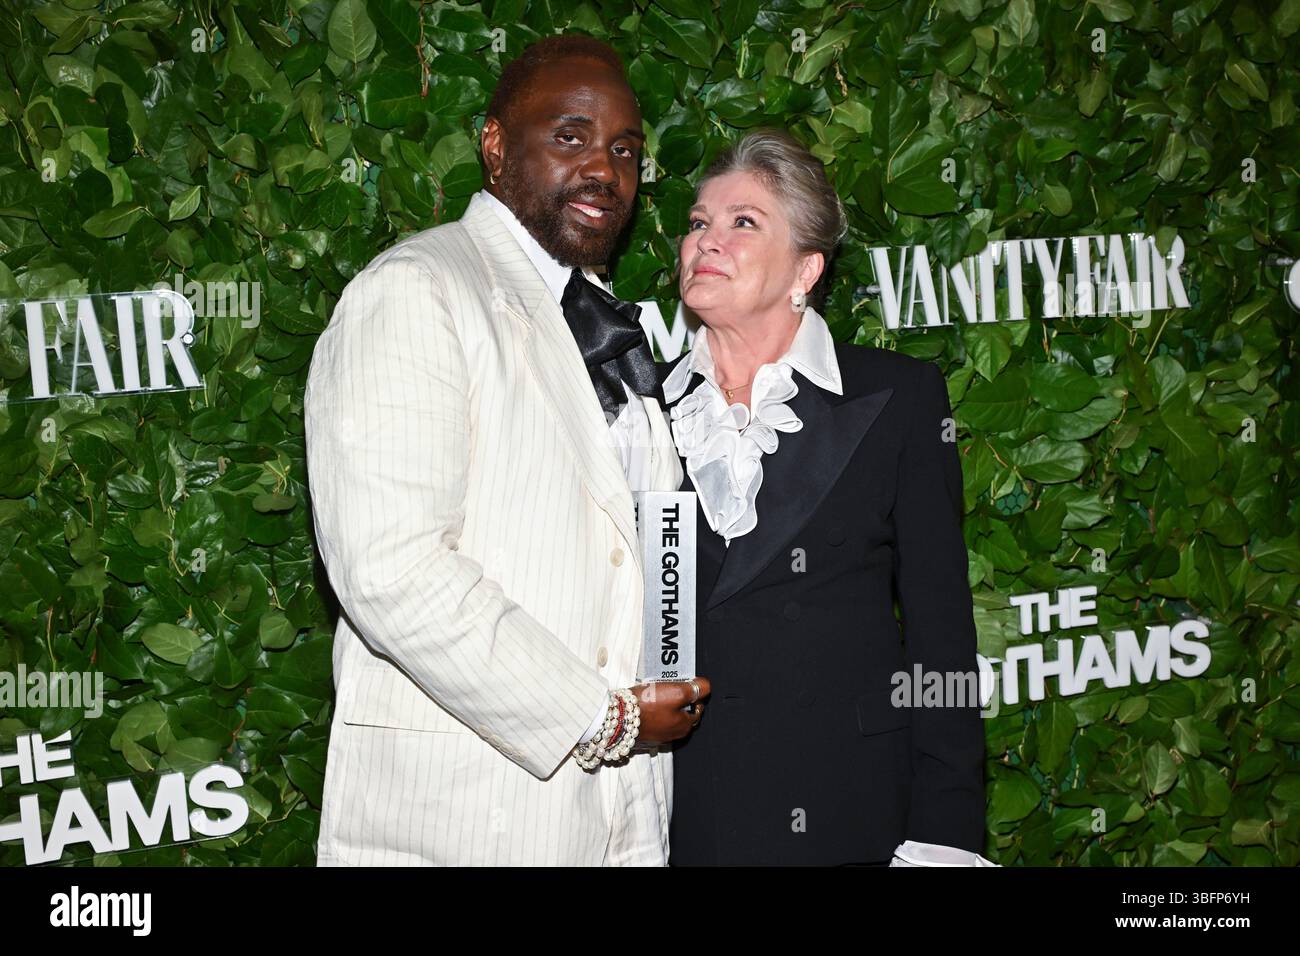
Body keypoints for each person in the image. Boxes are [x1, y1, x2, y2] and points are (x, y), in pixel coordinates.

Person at [304, 34, 709, 866]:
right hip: (468, 814)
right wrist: (607, 718)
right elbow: (391, 571)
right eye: (570, 137)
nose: (604, 169)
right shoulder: (416, 290)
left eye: (625, 150)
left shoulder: (604, 318)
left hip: (622, 812)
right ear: (494, 146)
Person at [661, 129, 992, 866]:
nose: (708, 240)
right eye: (698, 223)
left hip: (853, 808)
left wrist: (944, 835)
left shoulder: (897, 397)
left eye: (744, 222)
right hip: (685, 815)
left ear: (805, 269)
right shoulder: (638, 408)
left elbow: (942, 633)